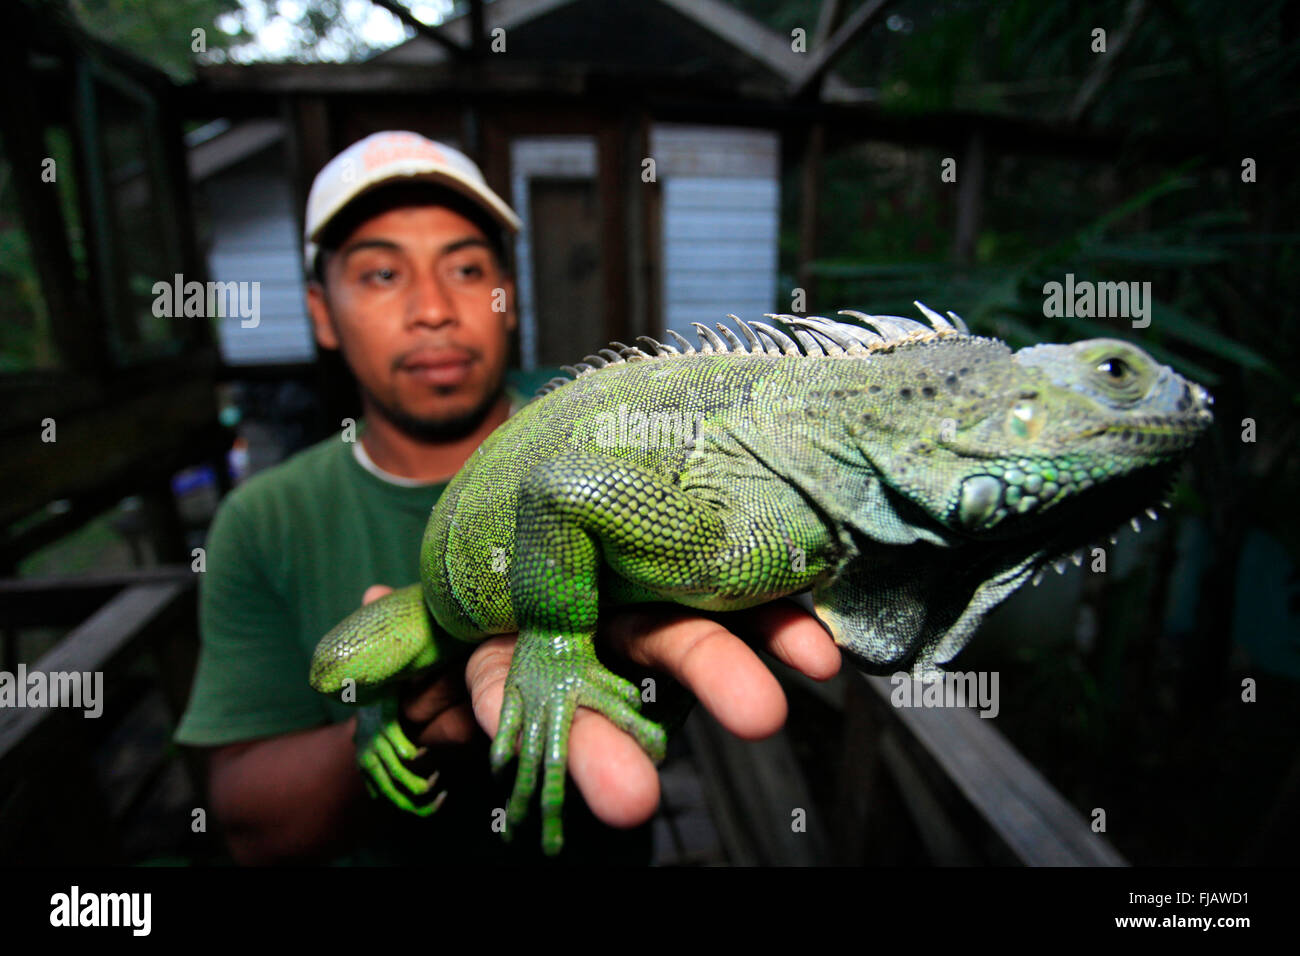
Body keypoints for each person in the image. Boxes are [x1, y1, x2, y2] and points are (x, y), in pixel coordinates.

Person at [174, 131, 841, 864]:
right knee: (345, 667)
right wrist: (393, 722)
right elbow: (244, 820)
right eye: (381, 275)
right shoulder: (263, 518)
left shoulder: (614, 416)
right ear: (321, 311)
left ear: (508, 297)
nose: (432, 308)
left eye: (464, 267)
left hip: (606, 842)